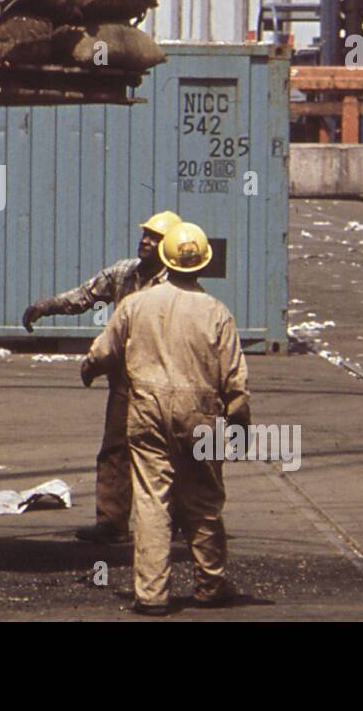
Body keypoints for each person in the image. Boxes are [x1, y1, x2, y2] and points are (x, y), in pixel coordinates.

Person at [81, 222, 250, 614]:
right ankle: (210, 584)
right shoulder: (216, 313)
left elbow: (104, 351)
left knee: (152, 500)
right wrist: (240, 420)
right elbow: (234, 378)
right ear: (202, 265)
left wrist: (89, 369)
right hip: (201, 414)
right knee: (203, 499)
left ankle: (152, 595)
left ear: (166, 261)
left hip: (147, 410)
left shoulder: (137, 303)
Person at [21, 210, 181, 544]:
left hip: (166, 379)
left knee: (169, 451)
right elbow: (85, 295)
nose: (146, 241)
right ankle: (112, 521)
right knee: (115, 449)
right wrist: (46, 306)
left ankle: (177, 519)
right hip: (126, 378)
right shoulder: (124, 273)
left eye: (155, 237)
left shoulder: (176, 285)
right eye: (145, 234)